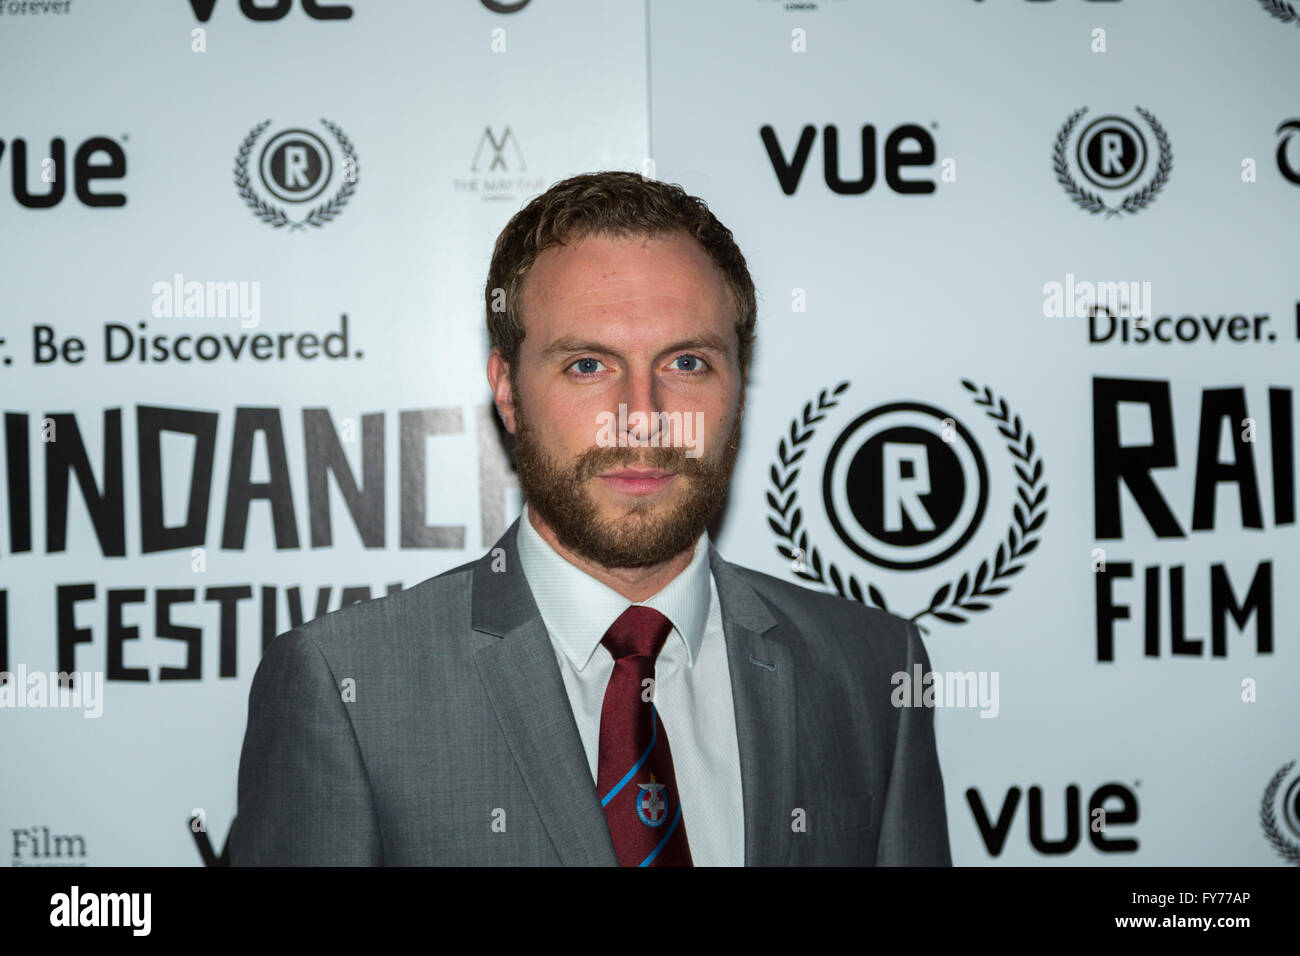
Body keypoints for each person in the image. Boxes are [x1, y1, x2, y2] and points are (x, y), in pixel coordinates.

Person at [229, 170, 952, 866]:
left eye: (688, 363)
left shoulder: (872, 671)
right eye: (587, 366)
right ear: (507, 391)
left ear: (739, 381)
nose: (644, 419)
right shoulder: (350, 688)